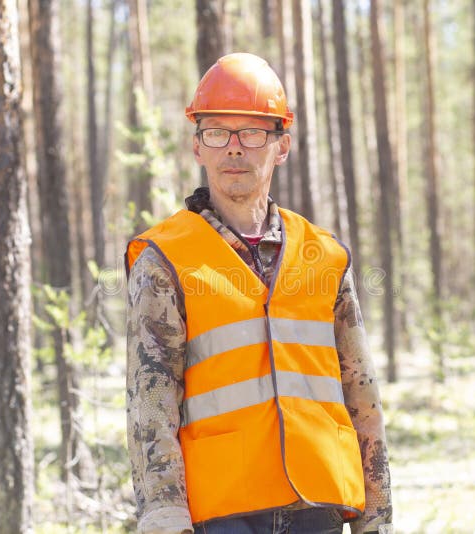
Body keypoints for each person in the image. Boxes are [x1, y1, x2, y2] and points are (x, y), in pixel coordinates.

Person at [125, 52, 392, 534]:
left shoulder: (325, 255)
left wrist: (378, 516)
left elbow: (362, 398)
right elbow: (150, 399)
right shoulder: (164, 257)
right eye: (217, 133)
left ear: (281, 145)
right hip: (222, 511)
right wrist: (164, 512)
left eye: (252, 133)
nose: (234, 149)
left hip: (320, 504)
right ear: (197, 148)